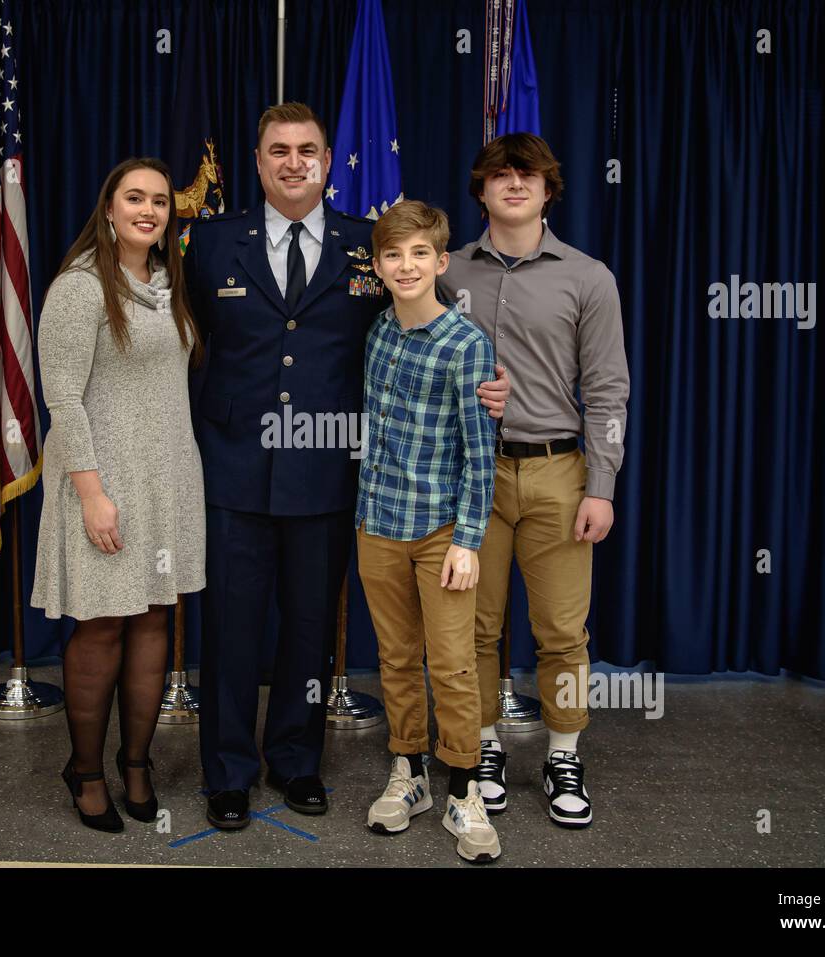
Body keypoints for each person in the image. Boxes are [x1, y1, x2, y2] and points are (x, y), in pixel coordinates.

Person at [181, 103, 510, 830]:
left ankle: (297, 760)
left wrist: (489, 380)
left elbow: (428, 309)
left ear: (328, 161)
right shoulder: (208, 244)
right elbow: (187, 339)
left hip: (327, 473)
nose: (293, 162)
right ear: (259, 160)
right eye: (278, 151)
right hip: (234, 470)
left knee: (307, 630)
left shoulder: (368, 245)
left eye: (307, 150)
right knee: (232, 631)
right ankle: (229, 771)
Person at [436, 133, 630, 828]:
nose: (514, 184)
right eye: (500, 174)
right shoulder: (445, 272)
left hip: (557, 471)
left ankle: (564, 751)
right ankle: (482, 745)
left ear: (550, 190)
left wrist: (601, 483)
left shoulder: (588, 278)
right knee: (474, 627)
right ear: (480, 189)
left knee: (562, 630)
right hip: (471, 474)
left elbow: (608, 388)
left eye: (528, 175)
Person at [32, 157, 206, 832]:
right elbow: (64, 399)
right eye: (134, 197)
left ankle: (137, 762)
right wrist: (93, 494)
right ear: (109, 208)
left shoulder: (169, 282)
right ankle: (85, 768)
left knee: (155, 620)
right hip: (101, 482)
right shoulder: (80, 288)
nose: (149, 209)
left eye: (160, 201)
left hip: (168, 483)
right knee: (102, 623)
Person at [356, 200, 500, 863]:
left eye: (419, 254)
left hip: (442, 531)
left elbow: (479, 451)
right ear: (378, 265)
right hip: (377, 525)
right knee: (396, 656)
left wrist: (469, 539)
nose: (405, 265)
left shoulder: (467, 344)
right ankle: (409, 771)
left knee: (453, 662)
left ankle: (464, 788)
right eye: (393, 254)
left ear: (442, 262)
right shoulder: (378, 332)